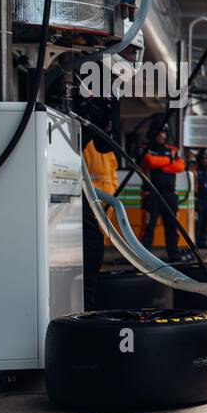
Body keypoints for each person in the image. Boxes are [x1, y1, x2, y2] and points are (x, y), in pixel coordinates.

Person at [80, 107, 118, 308]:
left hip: (105, 201)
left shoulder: (106, 148)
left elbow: (113, 174)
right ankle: (87, 299)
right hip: (88, 196)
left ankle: (90, 293)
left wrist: (111, 196)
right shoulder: (85, 144)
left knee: (98, 241)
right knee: (93, 242)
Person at [139, 125, 186, 262]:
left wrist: (161, 165)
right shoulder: (145, 148)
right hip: (151, 195)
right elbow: (150, 162)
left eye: (164, 132)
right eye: (159, 132)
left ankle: (174, 256)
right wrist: (169, 162)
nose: (162, 135)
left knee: (172, 227)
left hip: (170, 195)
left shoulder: (172, 149)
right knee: (148, 228)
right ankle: (144, 258)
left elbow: (180, 166)